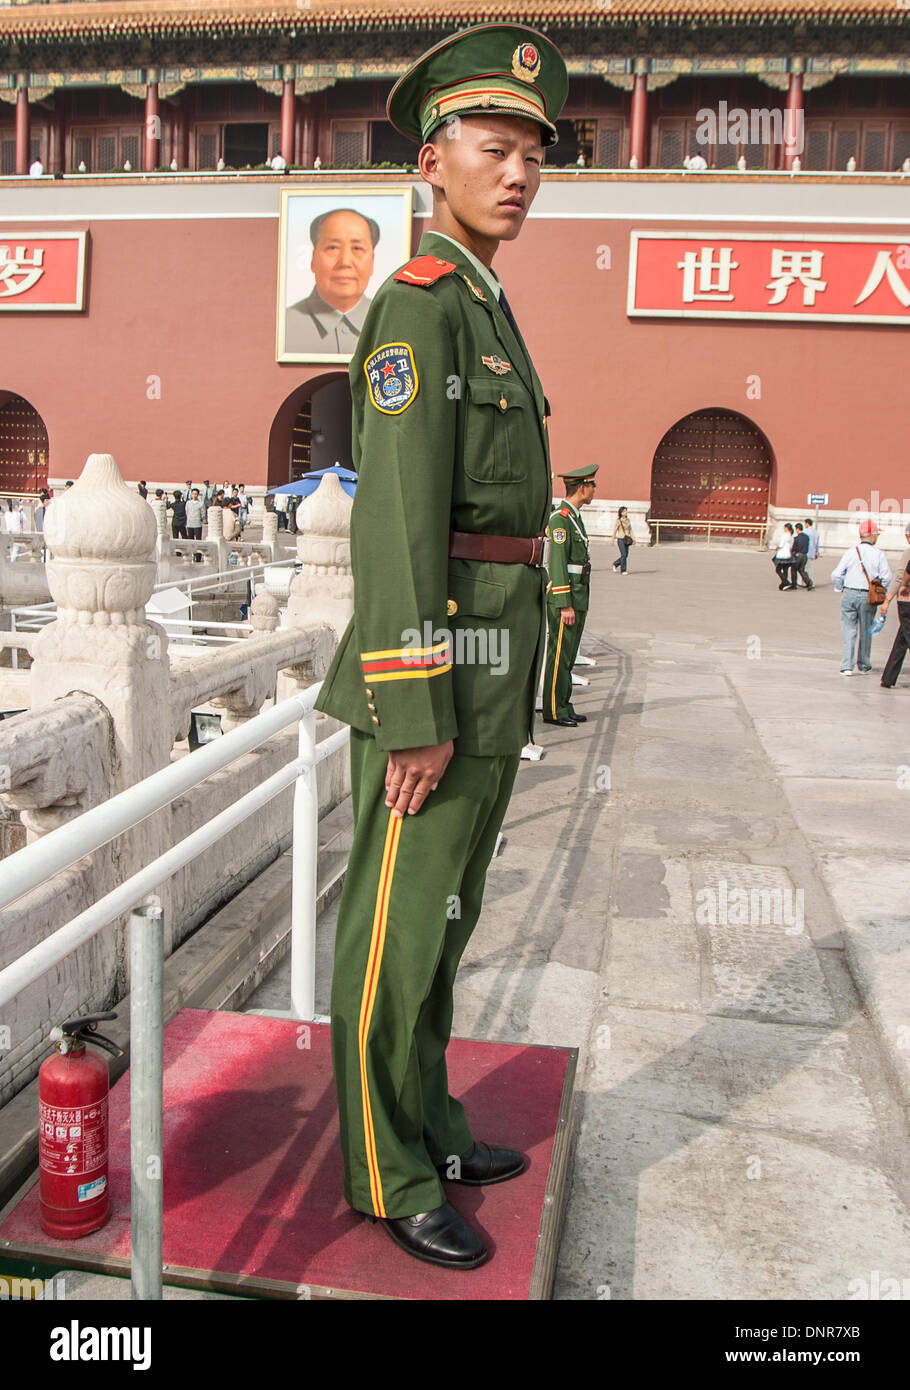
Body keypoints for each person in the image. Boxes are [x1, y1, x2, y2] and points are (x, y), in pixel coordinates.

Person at [313, 22, 568, 1271]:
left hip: (491, 663)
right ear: (431, 160)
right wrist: (410, 706)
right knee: (395, 928)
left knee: (449, 918)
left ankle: (430, 1117)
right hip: (435, 674)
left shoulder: (484, 304)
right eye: (492, 143)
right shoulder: (420, 310)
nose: (517, 169)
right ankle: (383, 1166)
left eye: (534, 150)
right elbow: (403, 520)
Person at [543, 465, 597, 726]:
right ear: (582, 487)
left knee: (569, 654)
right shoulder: (560, 519)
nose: (594, 490)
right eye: (592, 485)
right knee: (559, 655)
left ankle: (564, 704)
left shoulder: (574, 517)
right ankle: (553, 709)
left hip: (579, 594)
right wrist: (565, 604)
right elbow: (557, 563)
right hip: (566, 598)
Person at [285, 208, 379, 356]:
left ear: (372, 261)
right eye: (333, 247)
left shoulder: (388, 323)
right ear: (313, 259)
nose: (345, 262)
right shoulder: (284, 326)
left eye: (357, 248)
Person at [830, 519, 892, 675]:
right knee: (866, 630)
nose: (877, 537)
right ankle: (863, 664)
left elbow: (836, 574)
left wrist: (840, 587)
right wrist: (880, 589)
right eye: (876, 534)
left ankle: (846, 666)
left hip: (849, 593)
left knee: (848, 630)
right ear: (871, 536)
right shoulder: (879, 554)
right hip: (867, 596)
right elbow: (887, 577)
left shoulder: (851, 552)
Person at [879, 521, 910, 688]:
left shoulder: (909, 553)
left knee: (906, 637)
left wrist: (887, 600)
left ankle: (888, 677)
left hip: (906, 602)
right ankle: (888, 677)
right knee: (902, 639)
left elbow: (900, 576)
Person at [790, 521, 814, 589]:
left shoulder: (796, 538)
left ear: (797, 529)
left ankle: (794, 584)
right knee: (802, 570)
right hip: (805, 555)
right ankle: (809, 583)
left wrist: (792, 552)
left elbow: (795, 548)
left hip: (798, 555)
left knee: (793, 569)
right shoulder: (806, 537)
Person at [773, 523, 796, 589]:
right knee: (785, 569)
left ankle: (786, 582)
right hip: (788, 554)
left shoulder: (785, 535)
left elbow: (781, 545)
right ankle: (783, 584)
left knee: (778, 570)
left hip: (782, 554)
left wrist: (777, 547)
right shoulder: (791, 537)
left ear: (786, 528)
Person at [612, 505, 634, 574]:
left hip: (627, 539)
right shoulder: (618, 521)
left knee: (625, 555)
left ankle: (615, 564)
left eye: (626, 511)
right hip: (620, 539)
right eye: (624, 511)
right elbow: (615, 530)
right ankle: (623, 570)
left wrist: (633, 538)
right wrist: (613, 538)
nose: (626, 512)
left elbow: (630, 530)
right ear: (621, 513)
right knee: (623, 554)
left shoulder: (628, 520)